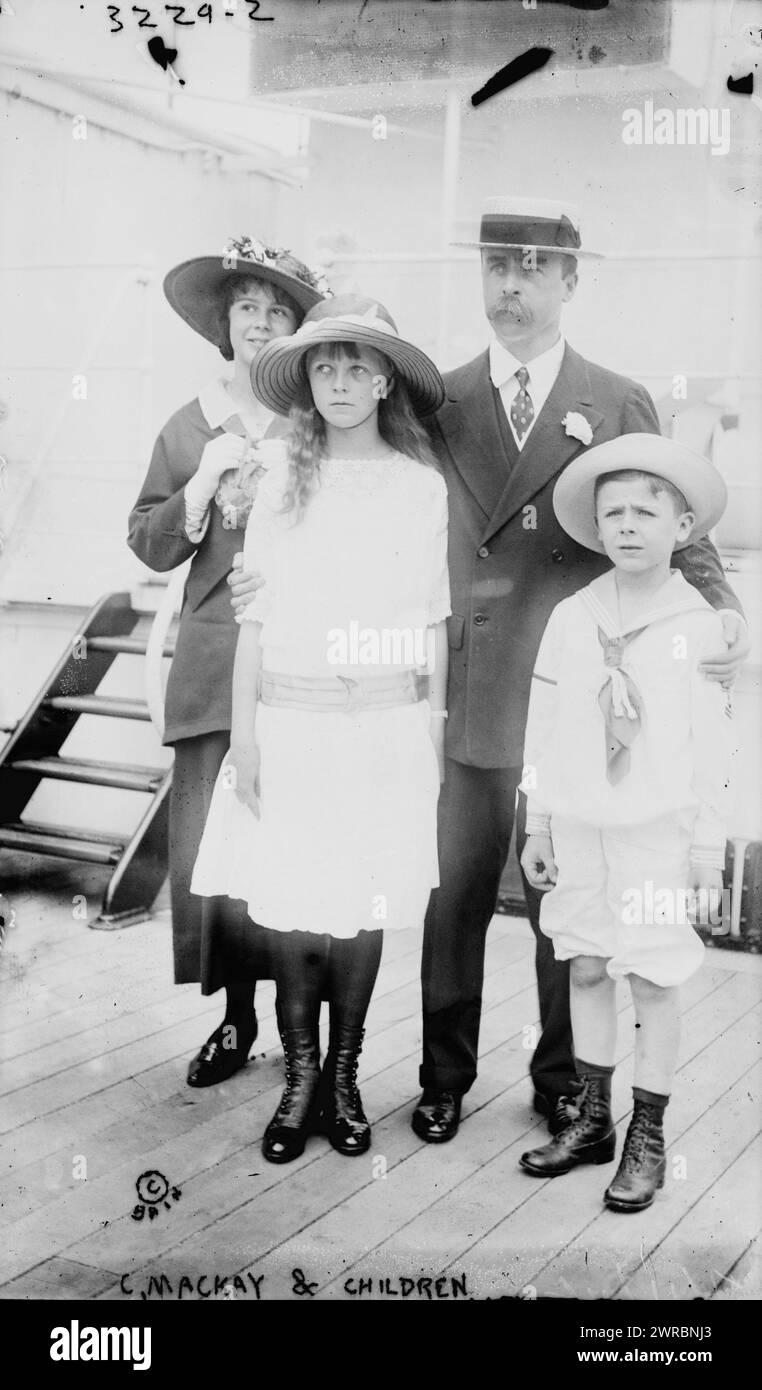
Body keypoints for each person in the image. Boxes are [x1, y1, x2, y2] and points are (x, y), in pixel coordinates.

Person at [408, 195, 748, 1144]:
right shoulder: (440, 398)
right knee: (458, 888)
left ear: (569, 280)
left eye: (529, 269)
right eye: (494, 267)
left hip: (586, 686)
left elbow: (675, 513)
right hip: (476, 680)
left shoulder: (614, 396)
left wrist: (723, 612)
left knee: (575, 889)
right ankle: (444, 1076)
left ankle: (566, 1082)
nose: (508, 287)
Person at [190, 294, 450, 1164]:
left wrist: (433, 733)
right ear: (306, 381)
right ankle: (299, 1076)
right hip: (290, 718)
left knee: (362, 901)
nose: (340, 381)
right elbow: (253, 624)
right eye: (325, 367)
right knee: (296, 903)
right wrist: (247, 737)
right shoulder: (281, 482)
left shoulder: (419, 487)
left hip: (381, 724)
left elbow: (431, 620)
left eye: (356, 366)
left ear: (384, 381)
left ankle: (343, 1077)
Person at [127, 237, 329, 1087]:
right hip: (214, 666)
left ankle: (309, 1042)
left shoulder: (321, 419)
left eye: (278, 311)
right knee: (220, 854)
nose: (260, 323)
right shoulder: (190, 424)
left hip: (303, 663)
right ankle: (236, 1020)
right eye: (247, 308)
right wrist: (201, 484)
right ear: (225, 322)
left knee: (300, 846)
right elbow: (148, 541)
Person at [517, 433, 734, 1212]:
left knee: (649, 972)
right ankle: (594, 1118)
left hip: (657, 828)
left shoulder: (701, 626)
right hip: (580, 820)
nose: (629, 525)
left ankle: (648, 1131)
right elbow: (543, 725)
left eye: (648, 510)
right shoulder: (573, 617)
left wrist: (708, 847)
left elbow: (717, 743)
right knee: (583, 963)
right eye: (614, 512)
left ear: (681, 528)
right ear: (597, 527)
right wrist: (538, 820)